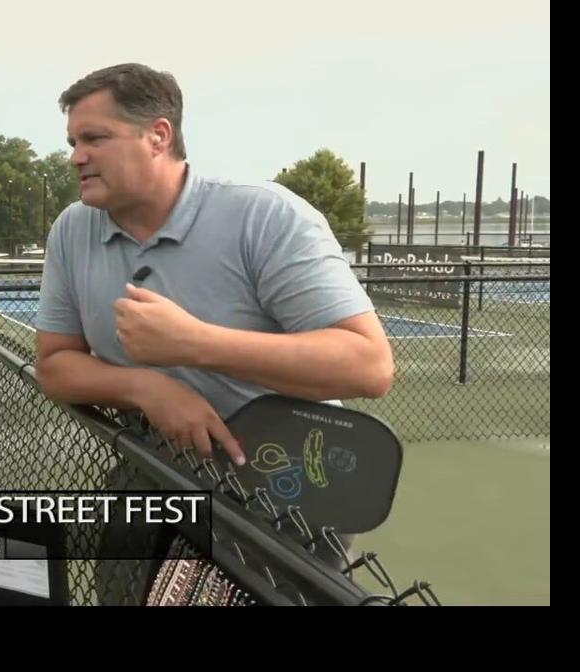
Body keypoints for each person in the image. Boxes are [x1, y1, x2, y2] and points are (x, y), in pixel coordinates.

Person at [34, 63, 394, 603]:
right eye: (73, 141)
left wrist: (195, 344)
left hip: (281, 493)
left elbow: (369, 365)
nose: (76, 156)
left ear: (158, 135)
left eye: (95, 138)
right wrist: (146, 388)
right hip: (153, 474)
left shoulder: (265, 216)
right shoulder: (73, 229)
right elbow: (55, 363)